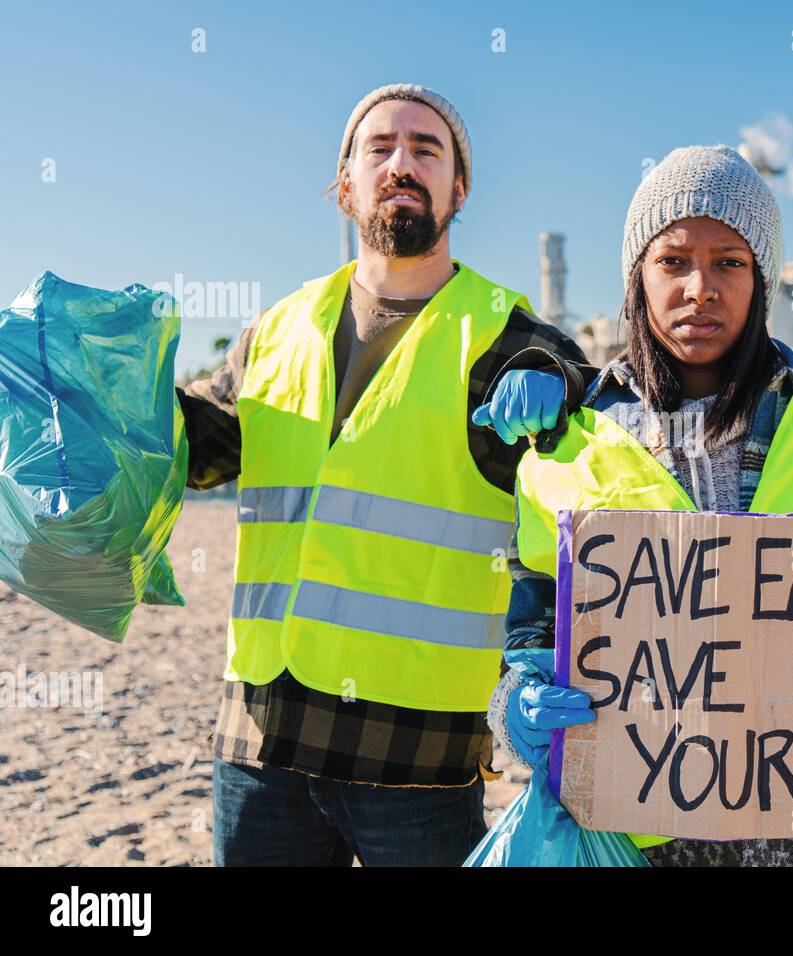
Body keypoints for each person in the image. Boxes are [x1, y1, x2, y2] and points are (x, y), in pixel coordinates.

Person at [482, 145, 793, 866]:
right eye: (673, 261)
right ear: (636, 278)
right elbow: (532, 626)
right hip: (640, 839)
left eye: (730, 262)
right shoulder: (568, 442)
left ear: (763, 281)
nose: (701, 288)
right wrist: (520, 707)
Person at [179, 84, 590, 866]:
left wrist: (562, 383)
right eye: (380, 148)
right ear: (345, 186)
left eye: (427, 150)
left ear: (458, 188)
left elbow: (598, 454)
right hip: (261, 740)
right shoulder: (277, 331)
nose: (402, 163)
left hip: (415, 758)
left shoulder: (508, 337)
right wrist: (102, 402)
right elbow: (197, 450)